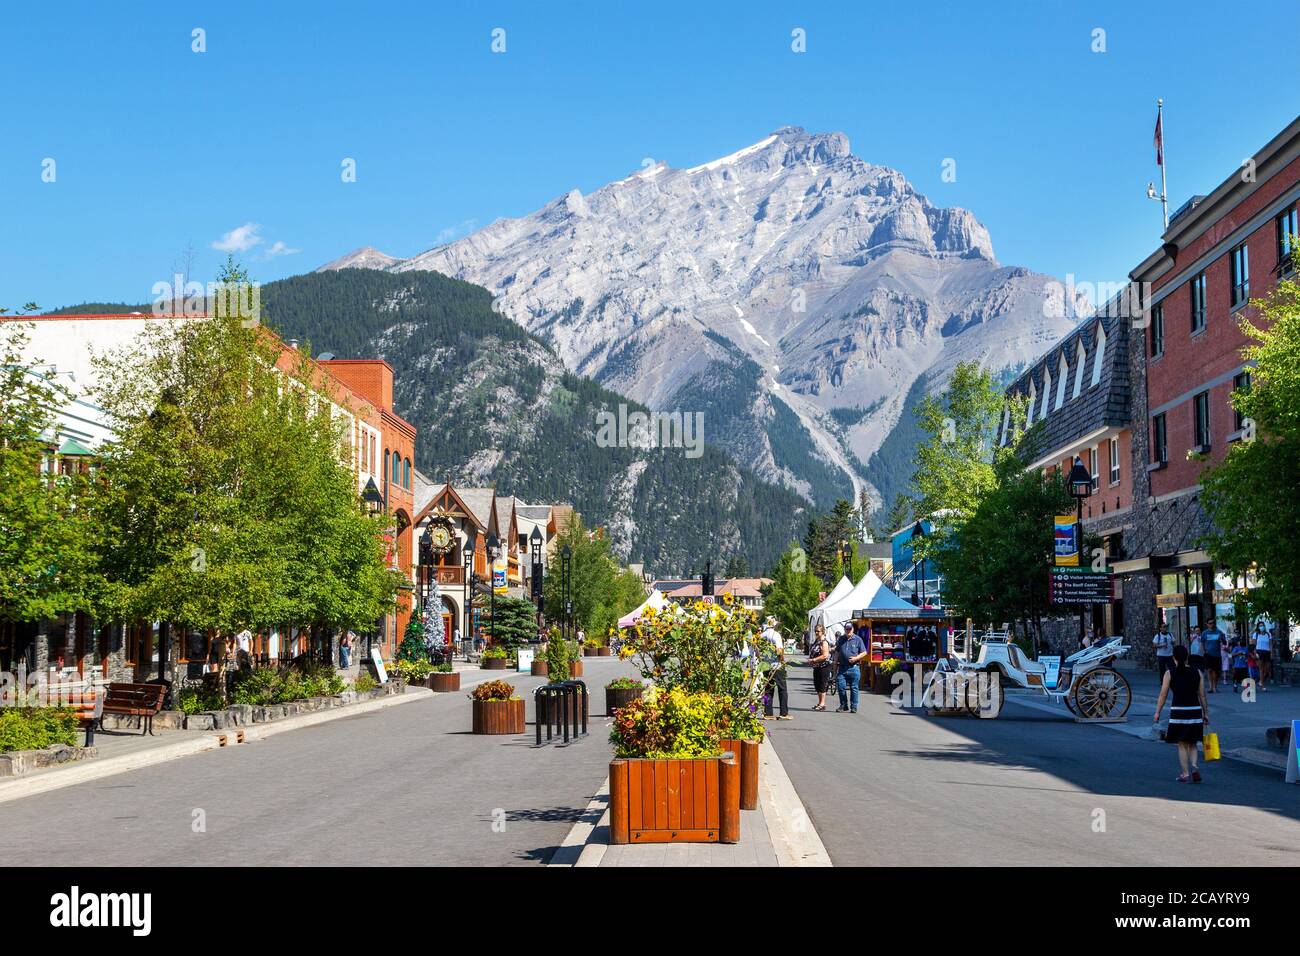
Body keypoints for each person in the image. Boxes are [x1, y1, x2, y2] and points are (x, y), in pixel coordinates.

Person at [1153, 644, 1209, 783]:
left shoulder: (1169, 673)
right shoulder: (1198, 672)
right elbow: (1202, 695)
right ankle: (1195, 767)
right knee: (1193, 743)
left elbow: (1163, 695)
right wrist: (1205, 713)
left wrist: (1157, 712)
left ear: (1174, 658)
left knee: (1182, 744)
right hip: (1194, 710)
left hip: (1178, 712)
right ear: (1187, 657)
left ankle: (1185, 773)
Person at [834, 624, 869, 714]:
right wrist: (835, 663)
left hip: (854, 667)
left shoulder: (858, 639)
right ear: (844, 629)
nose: (848, 631)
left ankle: (854, 706)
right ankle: (844, 705)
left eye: (850, 629)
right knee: (841, 687)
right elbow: (837, 652)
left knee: (854, 688)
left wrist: (856, 658)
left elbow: (864, 652)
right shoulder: (841, 639)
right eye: (847, 629)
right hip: (842, 667)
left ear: (853, 629)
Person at [761, 616, 790, 720]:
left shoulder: (762, 635)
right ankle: (783, 713)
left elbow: (757, 650)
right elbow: (779, 650)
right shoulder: (776, 635)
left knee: (768, 690)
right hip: (776, 665)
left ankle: (768, 713)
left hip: (766, 665)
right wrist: (782, 660)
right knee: (782, 689)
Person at [807, 623, 832, 711]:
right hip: (817, 667)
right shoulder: (816, 641)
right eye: (815, 631)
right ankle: (819, 702)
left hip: (824, 667)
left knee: (822, 684)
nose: (816, 632)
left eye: (818, 631)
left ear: (823, 632)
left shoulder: (824, 642)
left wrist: (814, 660)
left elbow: (825, 655)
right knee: (817, 684)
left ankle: (822, 703)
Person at [1200, 620, 1223, 693]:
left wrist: (1221, 639)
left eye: (1213, 623)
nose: (1212, 624)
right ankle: (1210, 687)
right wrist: (1204, 651)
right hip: (1208, 654)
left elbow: (1225, 642)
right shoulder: (1204, 633)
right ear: (1207, 624)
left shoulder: (1219, 632)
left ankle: (1215, 686)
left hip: (1217, 654)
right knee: (1209, 670)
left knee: (1216, 672)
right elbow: (1202, 642)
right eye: (1210, 623)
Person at [1252, 621, 1273, 690]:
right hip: (1259, 651)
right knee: (1261, 669)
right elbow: (1253, 645)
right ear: (1258, 627)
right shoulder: (1256, 634)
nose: (1262, 627)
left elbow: (1270, 644)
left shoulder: (1268, 634)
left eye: (1263, 625)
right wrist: (1255, 653)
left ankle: (1260, 680)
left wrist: (1271, 652)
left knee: (1267, 669)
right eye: (1260, 626)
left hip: (1267, 652)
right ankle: (1263, 686)